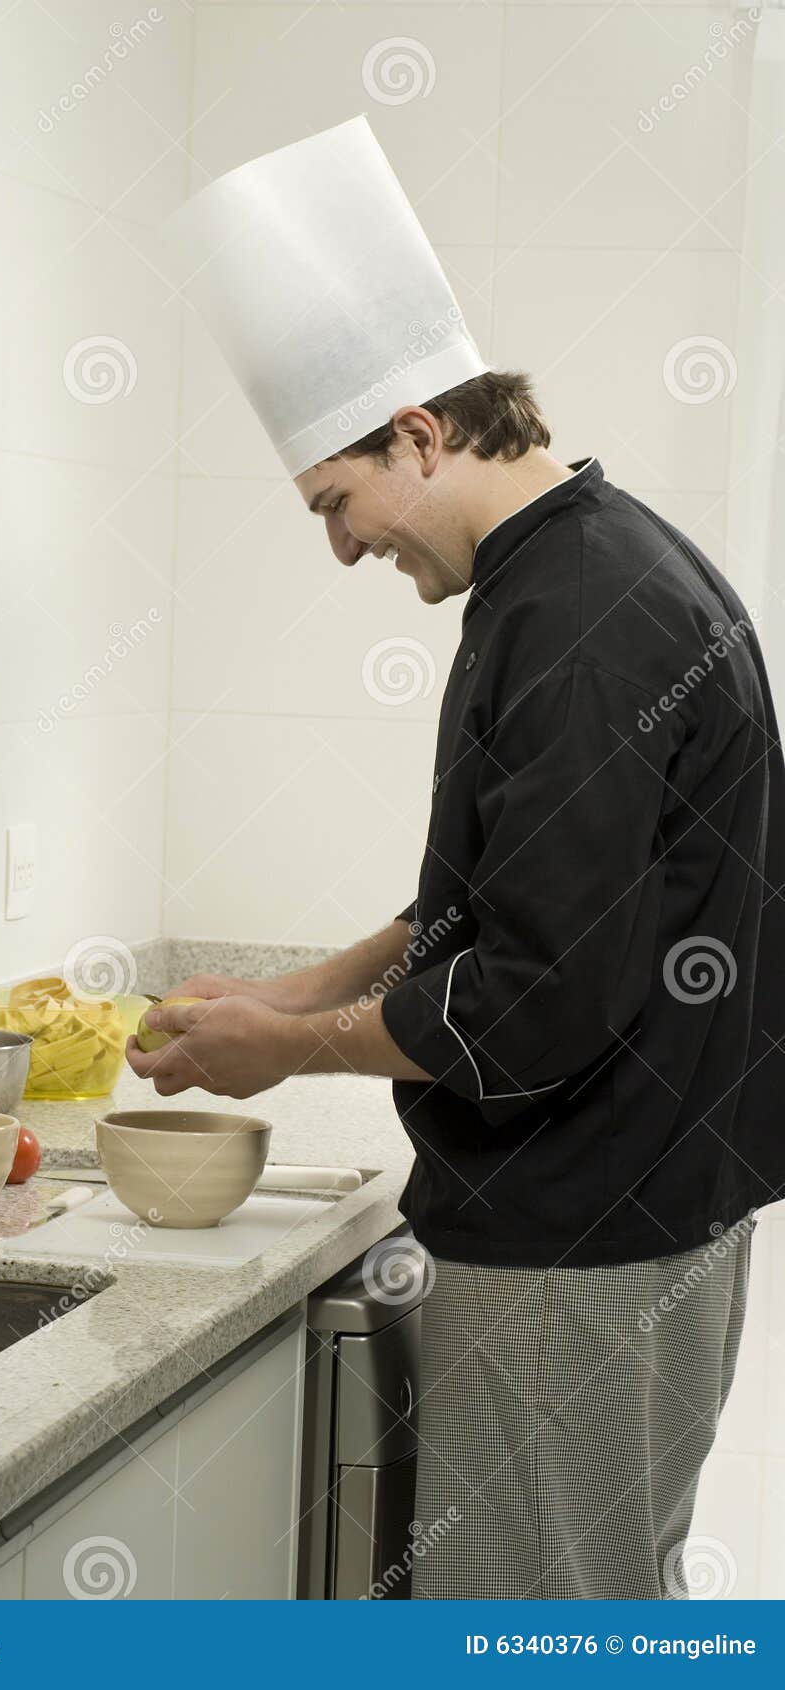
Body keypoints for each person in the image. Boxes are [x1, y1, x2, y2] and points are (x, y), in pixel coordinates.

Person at [126, 118, 785, 1600]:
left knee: (536, 1622)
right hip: (635, 1217)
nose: (344, 547)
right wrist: (299, 990)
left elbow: (537, 996)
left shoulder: (579, 621)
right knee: (598, 1605)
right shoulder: (588, 569)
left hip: (579, 1244)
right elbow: (516, 894)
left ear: (418, 436)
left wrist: (285, 1051)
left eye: (335, 503)